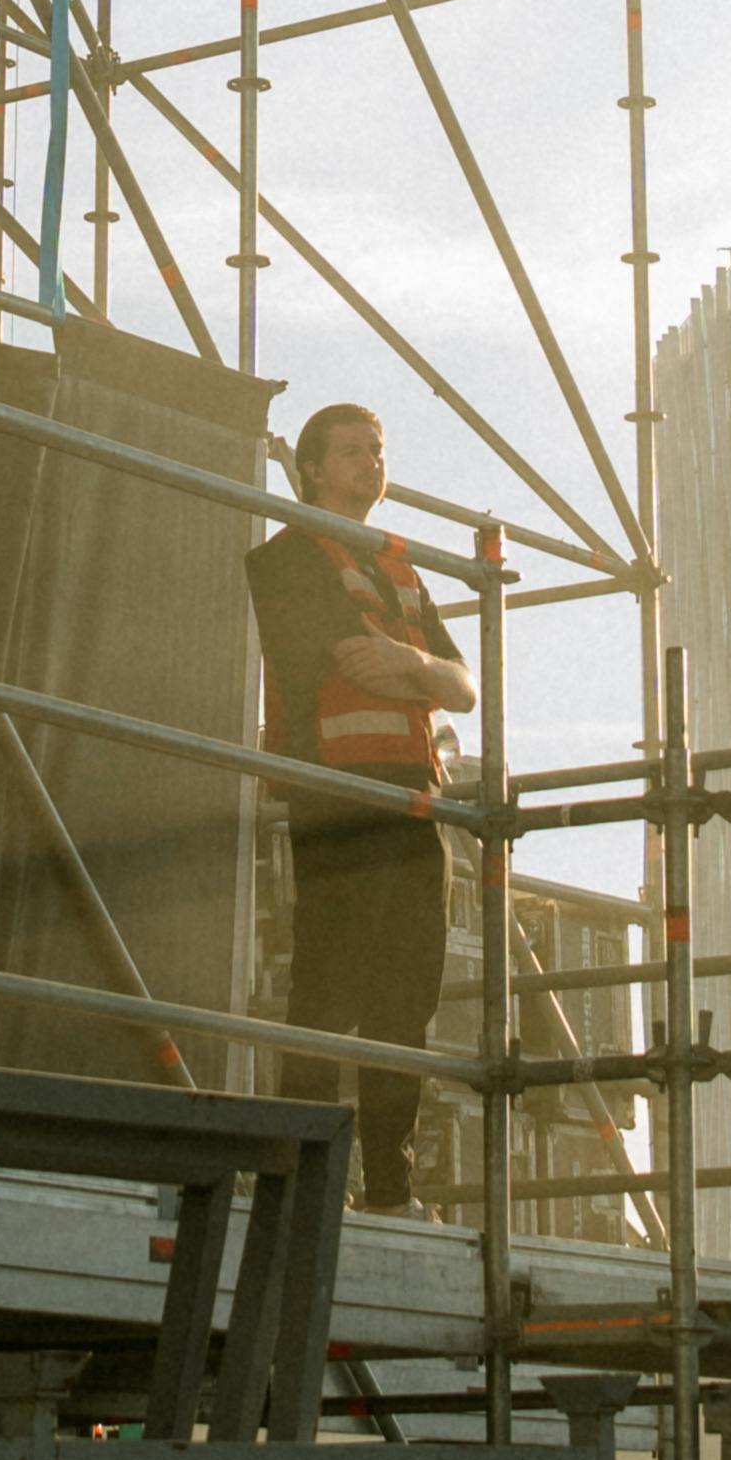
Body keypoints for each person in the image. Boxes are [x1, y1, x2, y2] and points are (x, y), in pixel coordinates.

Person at [246, 402, 469, 1215]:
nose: (372, 463)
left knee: (404, 1006)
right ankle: (302, 1179)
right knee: (328, 996)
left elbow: (465, 687)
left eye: (379, 450)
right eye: (352, 452)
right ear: (310, 469)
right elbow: (352, 662)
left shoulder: (399, 570)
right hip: (341, 795)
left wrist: (412, 662)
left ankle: (390, 1191)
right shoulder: (289, 560)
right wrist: (427, 675)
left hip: (413, 803)